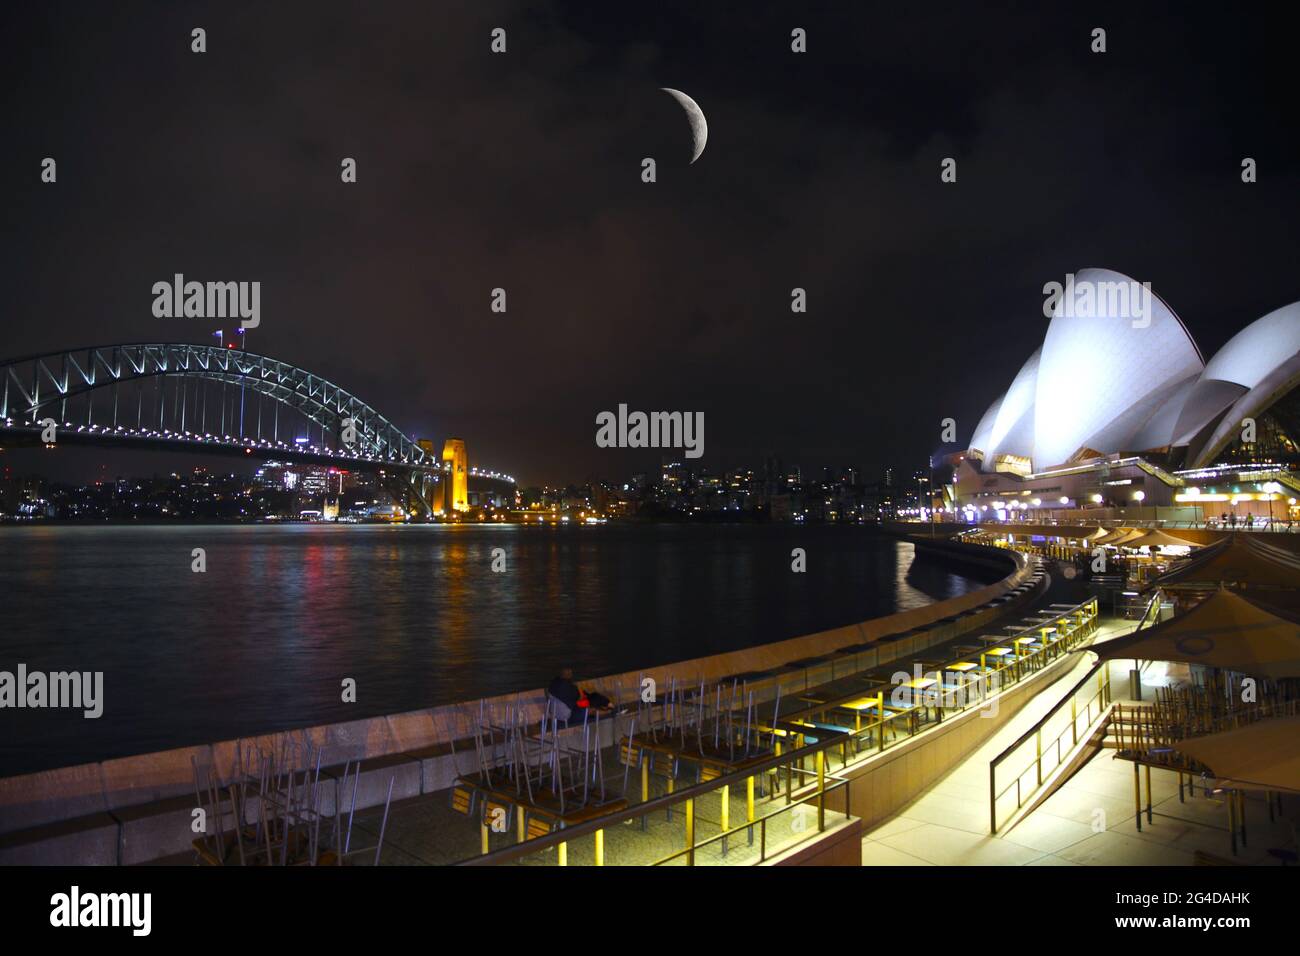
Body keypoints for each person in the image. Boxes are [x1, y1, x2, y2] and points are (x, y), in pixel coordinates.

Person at [547, 667, 616, 720]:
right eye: (571, 673)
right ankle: (609, 710)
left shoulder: (554, 683)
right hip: (566, 715)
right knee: (592, 703)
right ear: (569, 675)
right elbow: (580, 697)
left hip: (554, 712)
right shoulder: (568, 686)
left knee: (592, 698)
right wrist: (578, 688)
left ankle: (609, 707)